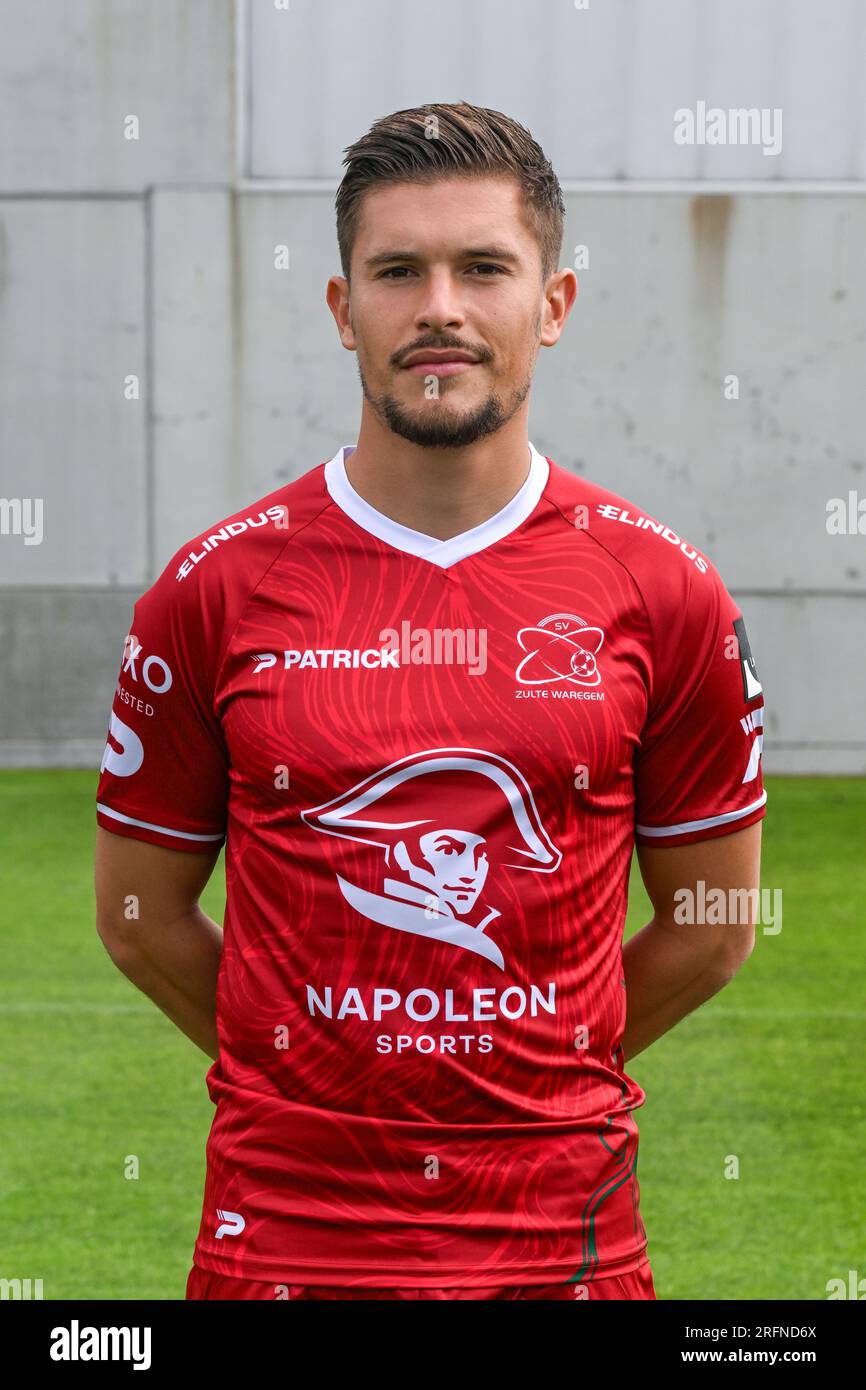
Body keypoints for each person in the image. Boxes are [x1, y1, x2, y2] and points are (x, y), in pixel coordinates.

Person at [94, 101, 766, 1301]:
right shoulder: (220, 585)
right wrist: (312, 1077)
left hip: (559, 1239)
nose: (439, 307)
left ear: (549, 306)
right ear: (344, 309)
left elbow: (713, 924)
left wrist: (529, 1083)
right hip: (286, 1235)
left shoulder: (660, 585)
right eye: (397, 271)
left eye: (482, 268)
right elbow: (141, 915)